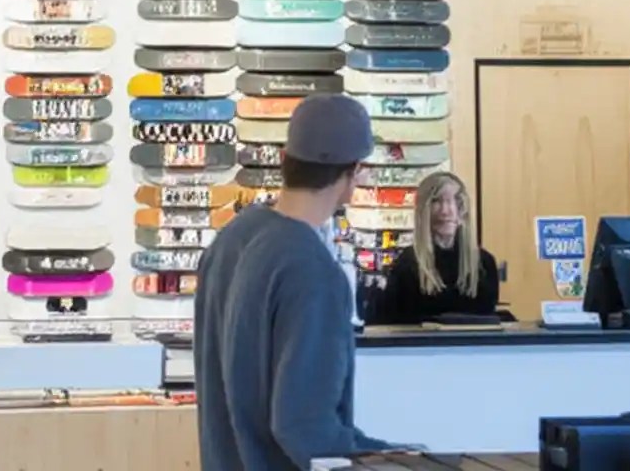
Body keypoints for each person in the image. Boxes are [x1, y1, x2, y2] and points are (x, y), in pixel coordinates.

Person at [194, 94, 389, 471]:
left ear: (285, 159)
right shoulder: (314, 271)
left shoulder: (231, 239)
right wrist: (397, 457)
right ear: (353, 174)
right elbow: (305, 428)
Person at [376, 172, 501, 324]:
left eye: (454, 201)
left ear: (463, 210)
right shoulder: (407, 265)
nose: (445, 210)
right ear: (424, 211)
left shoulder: (484, 264)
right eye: (436, 201)